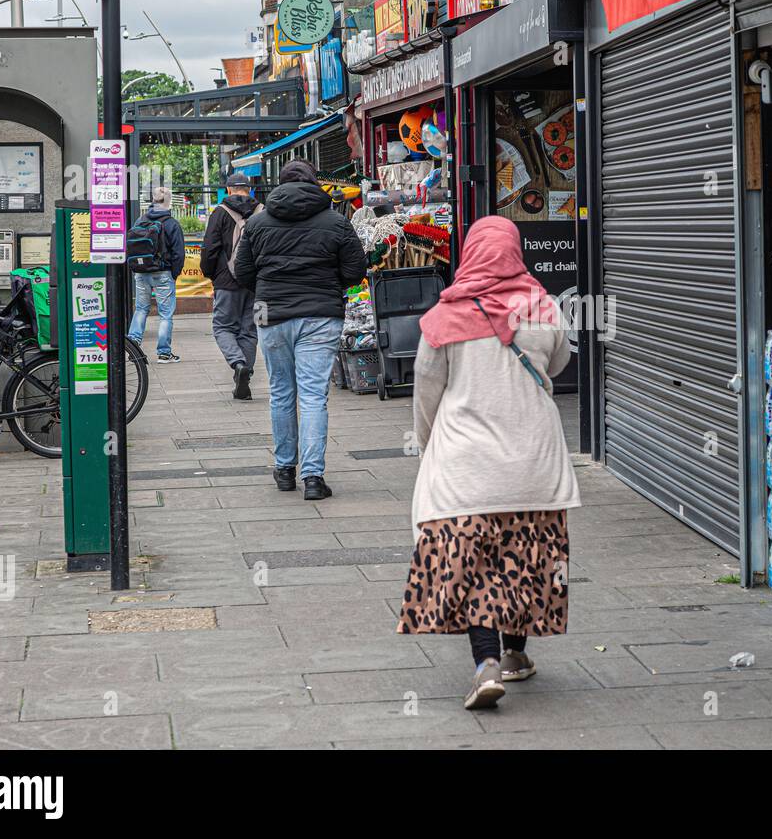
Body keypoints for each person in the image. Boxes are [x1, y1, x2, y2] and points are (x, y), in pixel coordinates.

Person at [396, 216, 581, 711]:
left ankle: (485, 664)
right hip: (535, 463)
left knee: (477, 566)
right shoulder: (544, 306)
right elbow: (559, 364)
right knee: (527, 555)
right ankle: (517, 655)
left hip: (467, 465)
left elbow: (426, 387)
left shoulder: (445, 315)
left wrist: (428, 441)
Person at [233, 160, 366, 501]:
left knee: (280, 391)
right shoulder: (336, 222)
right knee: (312, 394)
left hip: (269, 312)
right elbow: (354, 272)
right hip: (320, 314)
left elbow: (243, 273)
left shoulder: (258, 223)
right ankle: (313, 478)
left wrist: (269, 285)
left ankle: (283, 469)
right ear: (313, 183)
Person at [201, 173, 263, 399]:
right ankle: (245, 370)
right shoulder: (262, 212)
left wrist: (211, 274)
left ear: (228, 190)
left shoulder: (219, 213)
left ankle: (238, 365)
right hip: (255, 283)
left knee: (223, 327)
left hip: (226, 281)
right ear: (249, 189)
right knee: (249, 329)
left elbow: (209, 248)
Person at [127, 186, 186, 363]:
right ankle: (164, 353)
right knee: (165, 314)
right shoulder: (172, 224)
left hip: (141, 271)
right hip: (163, 273)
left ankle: (132, 346)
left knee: (141, 309)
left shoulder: (140, 221)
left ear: (152, 200)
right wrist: (174, 274)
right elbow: (179, 254)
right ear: (168, 202)